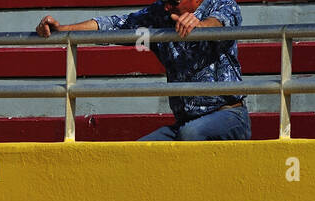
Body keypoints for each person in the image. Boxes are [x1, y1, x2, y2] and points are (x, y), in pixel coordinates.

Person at [35, 0, 249, 141]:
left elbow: (221, 23)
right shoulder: (160, 15)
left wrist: (200, 25)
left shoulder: (222, 5)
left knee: (191, 134)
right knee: (138, 152)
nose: (167, 7)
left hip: (229, 116)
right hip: (184, 125)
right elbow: (115, 24)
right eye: (164, 0)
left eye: (173, 1)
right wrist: (62, 30)